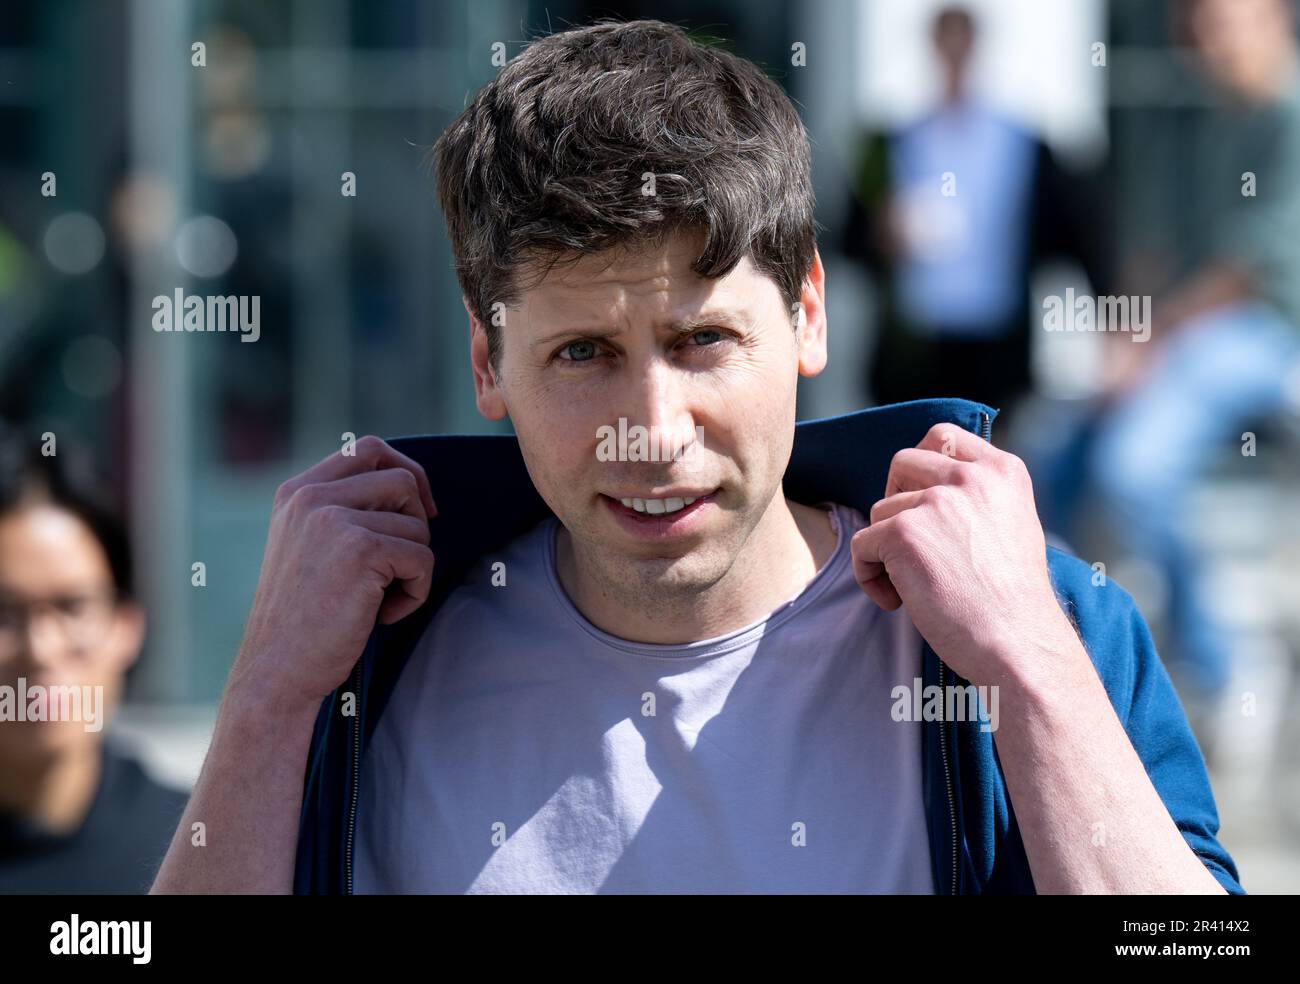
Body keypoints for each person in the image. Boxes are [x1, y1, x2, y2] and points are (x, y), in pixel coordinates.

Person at [152, 19, 1242, 895]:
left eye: (703, 341)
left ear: (809, 313)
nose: (654, 427)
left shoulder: (1037, 620)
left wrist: (1028, 666)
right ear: (488, 359)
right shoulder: (362, 651)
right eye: (583, 353)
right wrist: (263, 700)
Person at [1070, 0, 1300, 706]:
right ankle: (1080, 662)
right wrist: (1123, 336)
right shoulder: (1197, 120)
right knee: (1054, 462)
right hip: (1192, 331)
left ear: (1275, 20)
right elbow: (1152, 250)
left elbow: (1248, 270)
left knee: (1134, 469)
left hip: (1268, 331)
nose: (1205, 42)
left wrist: (1154, 339)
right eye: (1198, 26)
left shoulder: (1286, 116)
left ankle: (1217, 665)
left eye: (1222, 22)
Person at [840, 5, 1110, 418]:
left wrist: (1114, 319)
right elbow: (848, 238)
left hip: (998, 346)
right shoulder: (892, 141)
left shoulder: (1025, 144)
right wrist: (883, 232)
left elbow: (1079, 233)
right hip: (915, 348)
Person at [0, 428, 188, 893]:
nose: (40, 648)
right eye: (3, 612)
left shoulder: (196, 845)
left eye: (72, 607)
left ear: (127, 625)